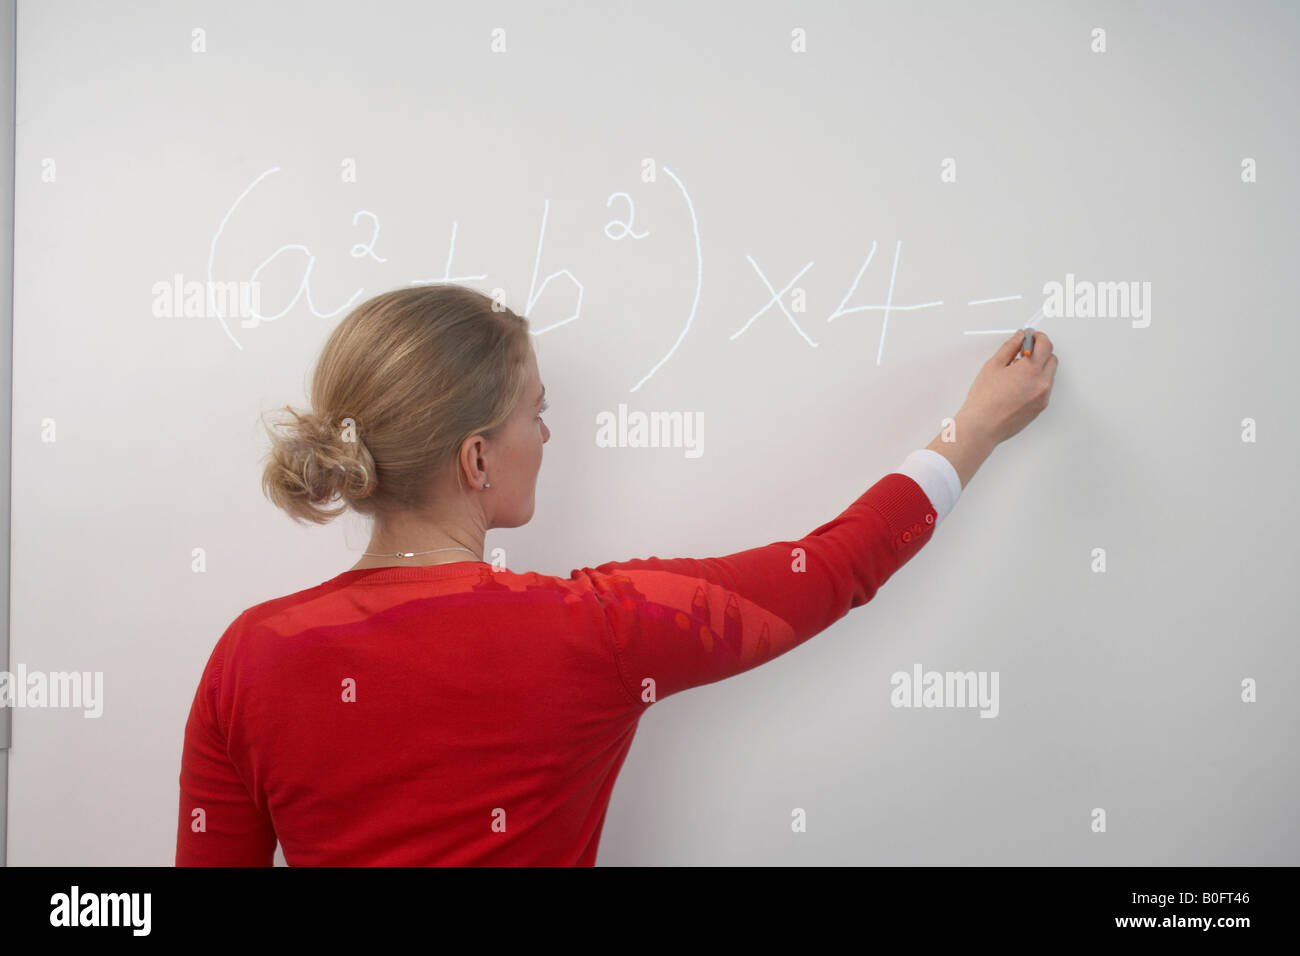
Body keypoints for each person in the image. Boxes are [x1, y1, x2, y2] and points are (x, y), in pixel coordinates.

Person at [175, 284, 1057, 865]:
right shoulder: (597, 632)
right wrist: (975, 428)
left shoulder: (249, 656)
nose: (548, 434)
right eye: (536, 412)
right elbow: (832, 567)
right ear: (476, 459)